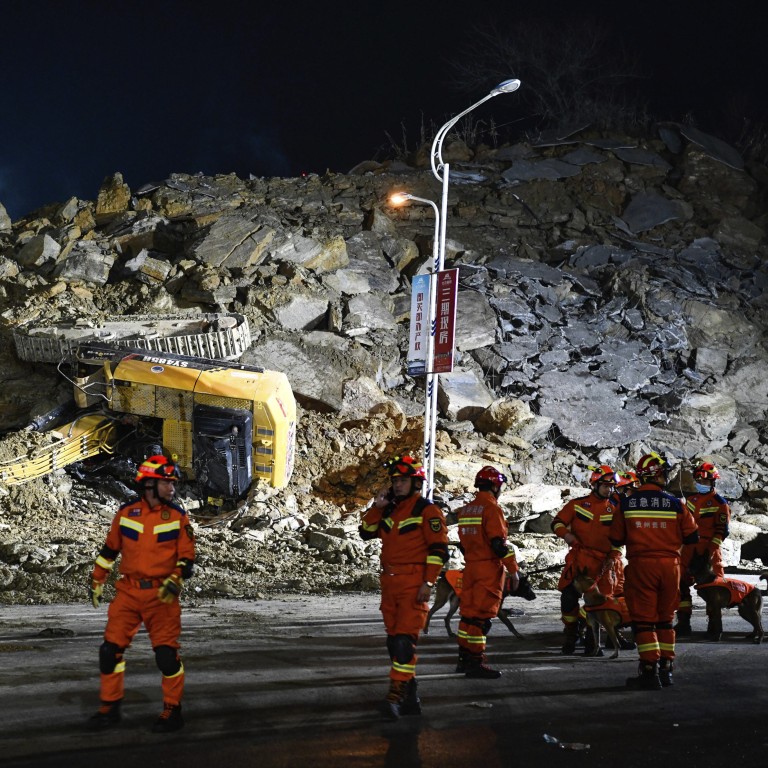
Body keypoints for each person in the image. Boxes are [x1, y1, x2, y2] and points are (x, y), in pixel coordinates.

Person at [88, 454, 195, 733]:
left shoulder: (177, 517)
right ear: (149, 484)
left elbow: (187, 559)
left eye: (173, 483)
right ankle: (109, 708)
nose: (172, 489)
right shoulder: (126, 514)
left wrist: (175, 579)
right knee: (109, 652)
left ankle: (173, 710)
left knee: (166, 657)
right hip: (129, 594)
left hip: (162, 597)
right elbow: (109, 551)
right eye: (166, 483)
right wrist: (97, 579)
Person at [359, 453, 449, 720]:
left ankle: (395, 695)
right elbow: (365, 532)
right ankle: (411, 696)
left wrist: (429, 582)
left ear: (416, 483)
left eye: (403, 480)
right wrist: (377, 506)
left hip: (413, 584)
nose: (397, 485)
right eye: (395, 480)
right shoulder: (389, 510)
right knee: (393, 642)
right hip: (389, 583)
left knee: (403, 642)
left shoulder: (428, 511)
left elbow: (439, 550)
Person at [609, 451, 698, 689]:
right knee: (666, 620)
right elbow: (693, 537)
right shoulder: (677, 503)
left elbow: (615, 539)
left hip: (642, 567)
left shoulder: (626, 504)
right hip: (670, 567)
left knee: (644, 621)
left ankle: (649, 672)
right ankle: (666, 669)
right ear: (657, 475)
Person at [455, 465, 520, 678]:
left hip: (471, 568)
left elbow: (463, 545)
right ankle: (476, 662)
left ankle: (464, 659)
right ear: (494, 486)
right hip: (487, 570)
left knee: (467, 616)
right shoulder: (492, 508)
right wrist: (513, 569)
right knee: (480, 619)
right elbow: (499, 545)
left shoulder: (466, 510)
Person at [552, 465, 623, 655]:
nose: (609, 490)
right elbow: (557, 522)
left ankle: (592, 641)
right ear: (595, 484)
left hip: (604, 564)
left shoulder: (616, 509)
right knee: (568, 598)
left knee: (600, 603)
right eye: (605, 486)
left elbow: (621, 537)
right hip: (579, 560)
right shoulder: (577, 504)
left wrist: (614, 555)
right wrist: (567, 536)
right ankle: (571, 633)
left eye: (612, 486)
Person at [675, 461, 731, 637]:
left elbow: (722, 531)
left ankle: (715, 627)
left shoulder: (720, 503)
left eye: (705, 481)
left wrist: (710, 551)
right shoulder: (691, 500)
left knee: (712, 588)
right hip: (689, 548)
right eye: (699, 480)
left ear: (712, 482)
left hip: (709, 549)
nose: (701, 484)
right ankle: (684, 623)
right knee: (682, 584)